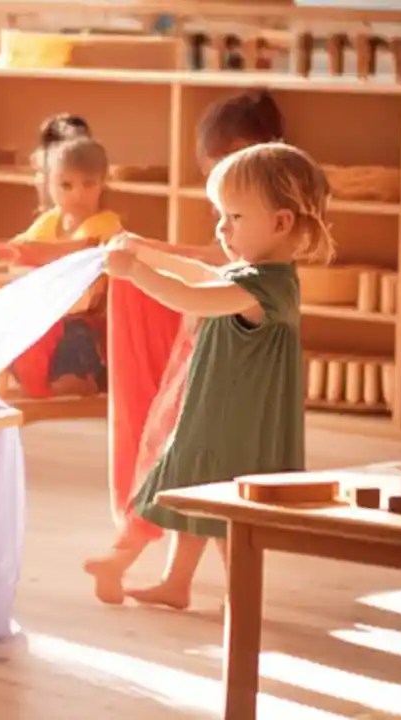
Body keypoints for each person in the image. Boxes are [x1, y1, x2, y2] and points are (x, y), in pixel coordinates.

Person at [89, 141, 334, 609]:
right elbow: (199, 275)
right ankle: (176, 583)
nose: (221, 228)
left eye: (234, 217)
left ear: (281, 223)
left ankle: (242, 595)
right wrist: (146, 252)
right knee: (194, 498)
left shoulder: (267, 288)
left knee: (226, 512)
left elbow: (193, 297)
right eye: (220, 215)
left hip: (237, 427)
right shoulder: (250, 274)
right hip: (214, 414)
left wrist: (137, 271)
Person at [101, 89, 286, 559]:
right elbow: (213, 261)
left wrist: (147, 260)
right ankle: (174, 576)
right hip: (219, 350)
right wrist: (150, 253)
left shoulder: (271, 216)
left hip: (236, 365)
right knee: (191, 464)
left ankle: (216, 587)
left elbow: (217, 270)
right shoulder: (241, 205)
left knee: (208, 468)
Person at [6, 137, 121, 397]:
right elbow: (20, 246)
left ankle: (85, 378)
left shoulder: (105, 223)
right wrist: (20, 250)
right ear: (49, 184)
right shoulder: (51, 220)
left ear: (103, 183)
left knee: (75, 341)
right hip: (49, 310)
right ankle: (34, 378)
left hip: (87, 319)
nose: (77, 194)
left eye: (88, 184)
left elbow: (85, 249)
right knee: (11, 329)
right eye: (66, 185)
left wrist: (31, 251)